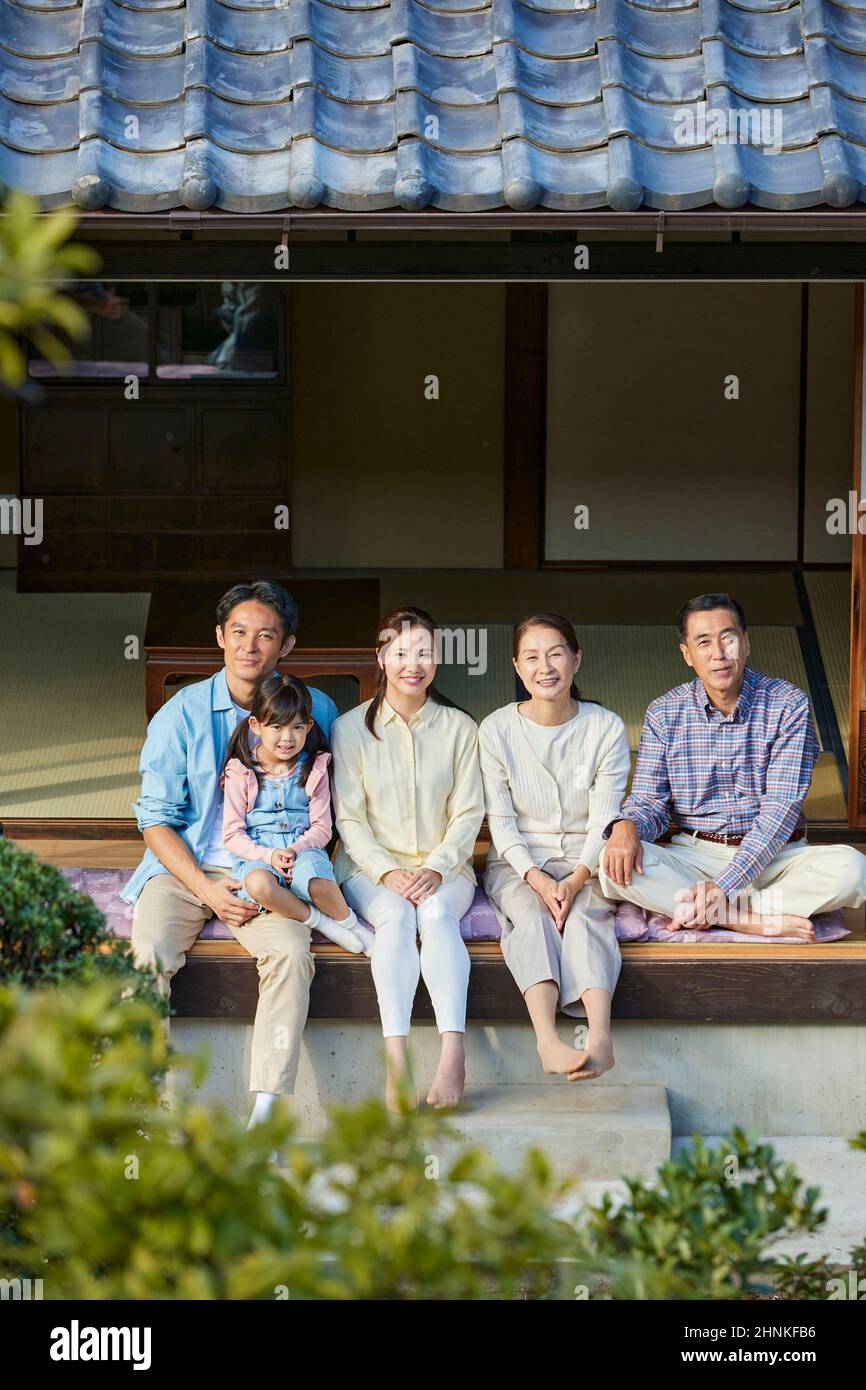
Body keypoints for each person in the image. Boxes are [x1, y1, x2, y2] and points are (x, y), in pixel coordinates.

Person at [126, 580, 339, 1132]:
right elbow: (155, 820)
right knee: (147, 954)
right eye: (239, 632)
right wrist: (205, 889)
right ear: (220, 636)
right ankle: (142, 1109)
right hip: (186, 868)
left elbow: (335, 797)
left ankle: (263, 1122)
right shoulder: (182, 714)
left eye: (265, 635)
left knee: (292, 955)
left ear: (286, 646)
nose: (250, 645)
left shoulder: (316, 710)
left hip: (271, 872)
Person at [598, 592, 866, 936]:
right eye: (704, 642)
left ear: (746, 643)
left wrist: (725, 885)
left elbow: (780, 810)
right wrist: (627, 827)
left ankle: (708, 908)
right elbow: (650, 803)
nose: (719, 653)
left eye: (728, 638)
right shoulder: (665, 713)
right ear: (687, 655)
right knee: (610, 866)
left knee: (854, 870)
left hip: (775, 857)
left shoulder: (788, 704)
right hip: (695, 856)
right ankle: (747, 920)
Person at [330, 607, 484, 1112]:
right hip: (371, 870)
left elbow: (468, 814)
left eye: (423, 653)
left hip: (446, 868)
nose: (411, 664)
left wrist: (436, 867)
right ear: (380, 657)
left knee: (437, 915)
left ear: (438, 660)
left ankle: (453, 1053)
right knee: (394, 917)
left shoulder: (461, 728)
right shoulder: (353, 729)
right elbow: (349, 820)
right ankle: (396, 1064)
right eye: (399, 653)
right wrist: (388, 872)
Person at [479, 614, 630, 1081]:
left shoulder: (605, 727)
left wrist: (579, 877)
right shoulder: (496, 730)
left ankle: (600, 1039)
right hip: (518, 862)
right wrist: (539, 879)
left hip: (590, 858)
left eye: (556, 653)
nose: (546, 667)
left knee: (587, 915)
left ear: (576, 659)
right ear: (518, 668)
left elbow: (605, 819)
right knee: (530, 915)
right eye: (532, 657)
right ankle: (547, 1041)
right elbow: (502, 826)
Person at [222, 673, 373, 956]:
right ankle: (322, 923)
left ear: (309, 726)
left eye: (297, 727)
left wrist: (294, 849)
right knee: (257, 884)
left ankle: (352, 925)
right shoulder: (240, 771)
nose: (287, 737)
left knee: (317, 880)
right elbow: (231, 834)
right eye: (276, 727)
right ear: (256, 725)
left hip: (304, 849)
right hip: (260, 855)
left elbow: (322, 828)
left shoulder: (313, 768)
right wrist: (268, 856)